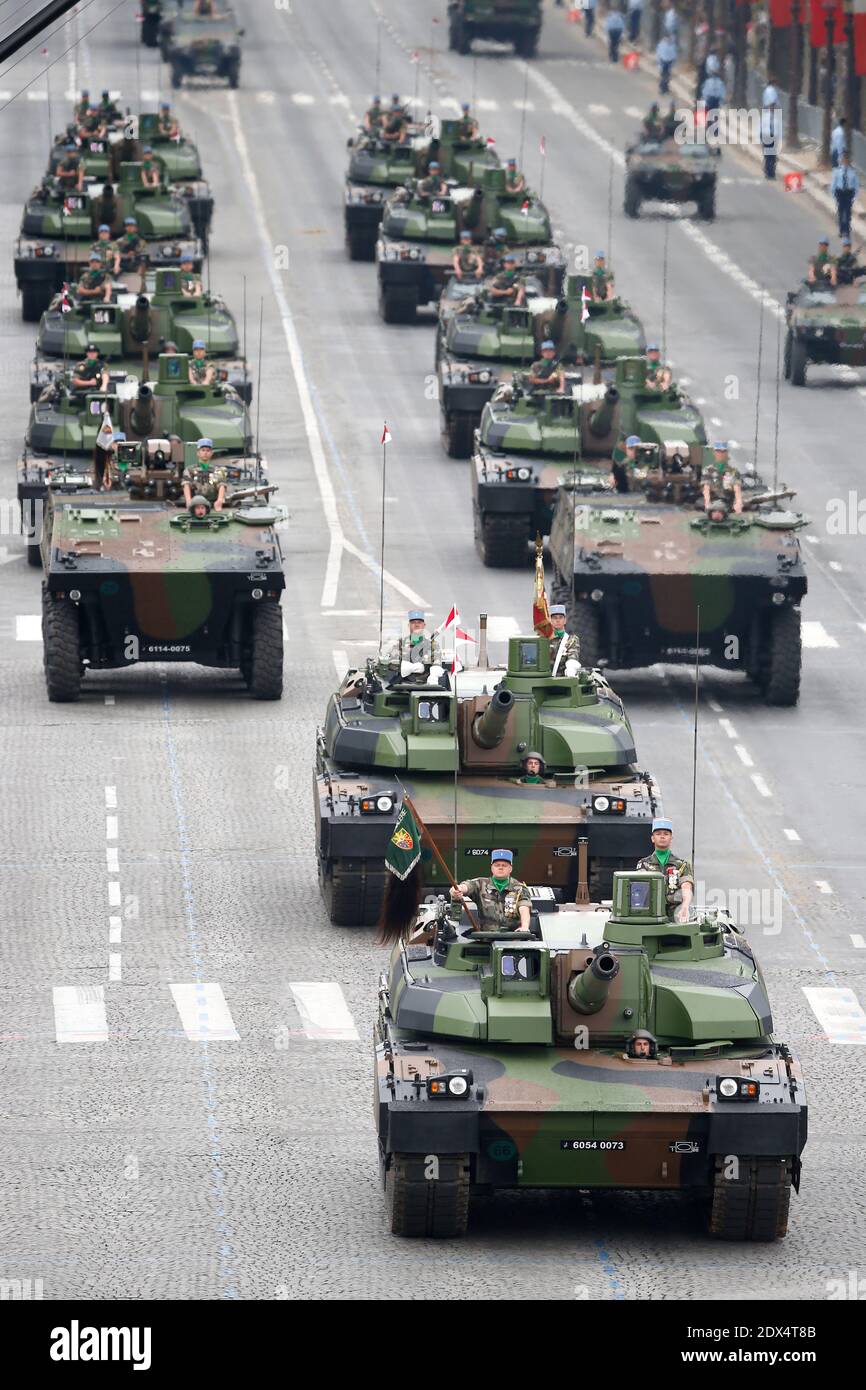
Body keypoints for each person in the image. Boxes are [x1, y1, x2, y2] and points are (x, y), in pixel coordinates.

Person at [449, 850, 531, 932]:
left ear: (510, 868)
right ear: (492, 868)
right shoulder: (480, 884)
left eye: (504, 865)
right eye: (497, 865)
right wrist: (458, 890)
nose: (500, 867)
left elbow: (524, 907)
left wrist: (524, 927)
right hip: (487, 938)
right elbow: (467, 886)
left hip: (513, 938)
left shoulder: (519, 888)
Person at [636, 817, 694, 923]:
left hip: (675, 915)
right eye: (658, 833)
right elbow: (640, 890)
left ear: (671, 838)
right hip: (650, 916)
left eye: (666, 834)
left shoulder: (681, 865)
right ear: (652, 838)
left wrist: (685, 907)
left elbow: (686, 887)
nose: (662, 836)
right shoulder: (643, 864)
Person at [182, 439, 226, 510]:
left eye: (208, 450)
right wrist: (188, 501)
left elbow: (222, 485)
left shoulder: (218, 470)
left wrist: (219, 500)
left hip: (213, 504)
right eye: (203, 450)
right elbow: (186, 485)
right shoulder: (190, 470)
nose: (205, 453)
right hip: (195, 504)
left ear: (211, 453)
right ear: (198, 453)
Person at [702, 441, 743, 514]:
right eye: (718, 451)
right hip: (713, 502)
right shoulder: (708, 470)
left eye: (723, 451)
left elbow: (737, 489)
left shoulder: (733, 471)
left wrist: (738, 503)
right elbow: (706, 488)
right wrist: (707, 503)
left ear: (727, 453)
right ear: (714, 453)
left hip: (727, 502)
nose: (721, 454)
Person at [831, 153, 859, 237]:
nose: (845, 162)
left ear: (849, 162)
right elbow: (834, 183)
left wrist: (855, 196)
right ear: (841, 161)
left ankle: (846, 230)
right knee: (840, 211)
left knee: (847, 212)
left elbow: (856, 185)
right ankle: (841, 230)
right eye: (843, 160)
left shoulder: (853, 172)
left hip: (848, 193)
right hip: (840, 192)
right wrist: (833, 194)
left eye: (847, 161)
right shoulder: (837, 171)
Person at [548, 604, 580, 671]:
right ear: (550, 620)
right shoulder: (544, 640)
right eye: (555, 618)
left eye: (560, 617)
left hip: (562, 678)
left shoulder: (571, 639)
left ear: (565, 620)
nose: (558, 620)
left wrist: (571, 667)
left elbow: (573, 655)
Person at [760, 101, 782, 181]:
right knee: (767, 156)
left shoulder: (777, 118)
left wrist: (778, 139)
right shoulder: (765, 117)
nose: (772, 109)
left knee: (773, 156)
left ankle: (772, 172)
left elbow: (778, 129)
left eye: (774, 107)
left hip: (774, 137)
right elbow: (761, 127)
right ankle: (767, 171)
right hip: (766, 136)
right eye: (771, 107)